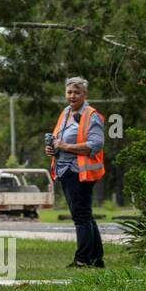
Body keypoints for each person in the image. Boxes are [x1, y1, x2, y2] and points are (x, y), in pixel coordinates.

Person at [46, 76, 106, 268]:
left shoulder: (91, 115)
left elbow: (95, 144)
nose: (72, 96)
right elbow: (59, 140)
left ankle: (82, 260)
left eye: (77, 92)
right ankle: (97, 259)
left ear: (84, 94)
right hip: (65, 170)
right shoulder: (65, 113)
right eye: (69, 92)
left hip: (79, 171)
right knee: (86, 215)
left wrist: (65, 146)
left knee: (81, 217)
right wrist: (53, 148)